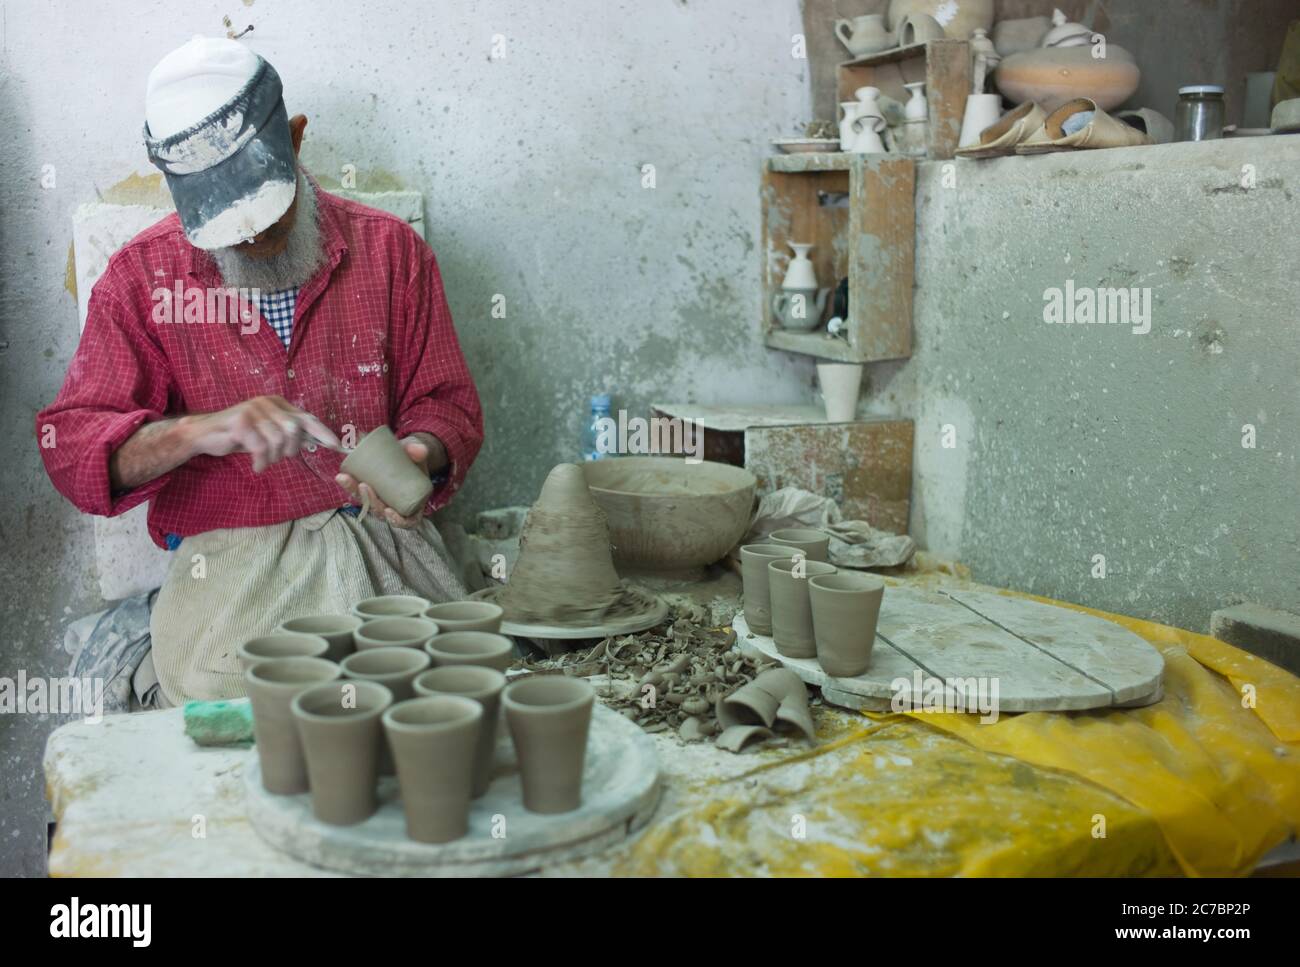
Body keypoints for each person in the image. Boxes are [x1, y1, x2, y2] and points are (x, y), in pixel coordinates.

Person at [37, 37, 483, 706]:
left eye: (265, 220)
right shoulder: (141, 280)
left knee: (451, 697)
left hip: (380, 548)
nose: (248, 240)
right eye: (224, 229)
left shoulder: (393, 253)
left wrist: (420, 453)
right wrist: (194, 433)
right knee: (252, 720)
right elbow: (72, 452)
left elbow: (446, 405)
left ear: (296, 140)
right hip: (230, 571)